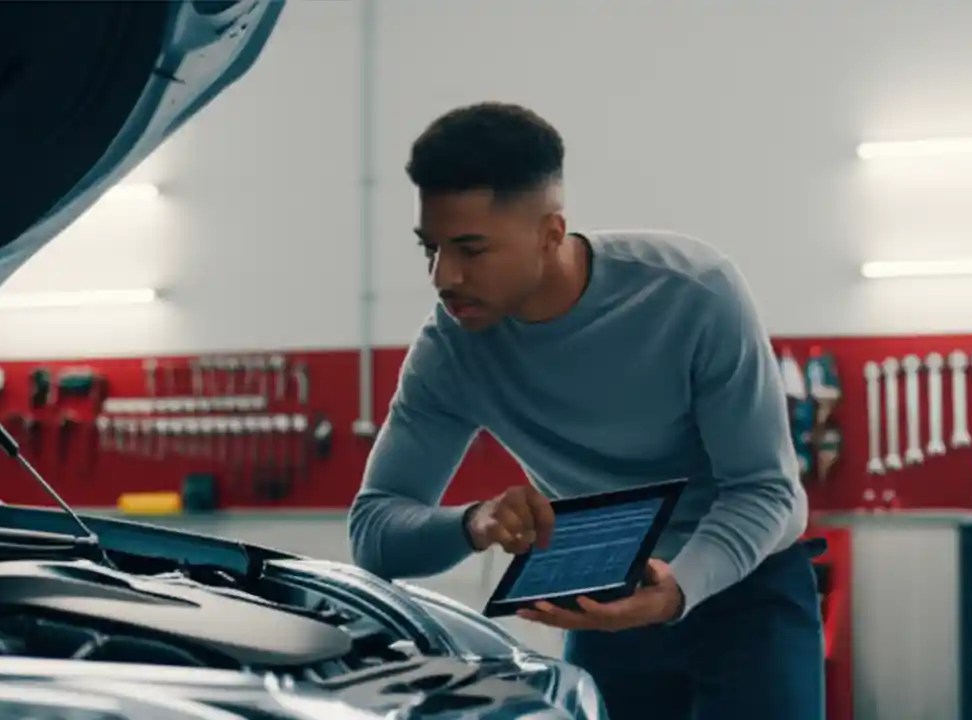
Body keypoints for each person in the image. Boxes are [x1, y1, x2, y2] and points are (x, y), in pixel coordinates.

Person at [346, 101, 824, 720]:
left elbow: (763, 490)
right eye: (429, 249)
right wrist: (475, 522)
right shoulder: (450, 350)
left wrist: (676, 590)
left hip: (746, 584)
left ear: (551, 233)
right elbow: (375, 532)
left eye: (471, 249)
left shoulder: (695, 293)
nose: (444, 277)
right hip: (604, 597)